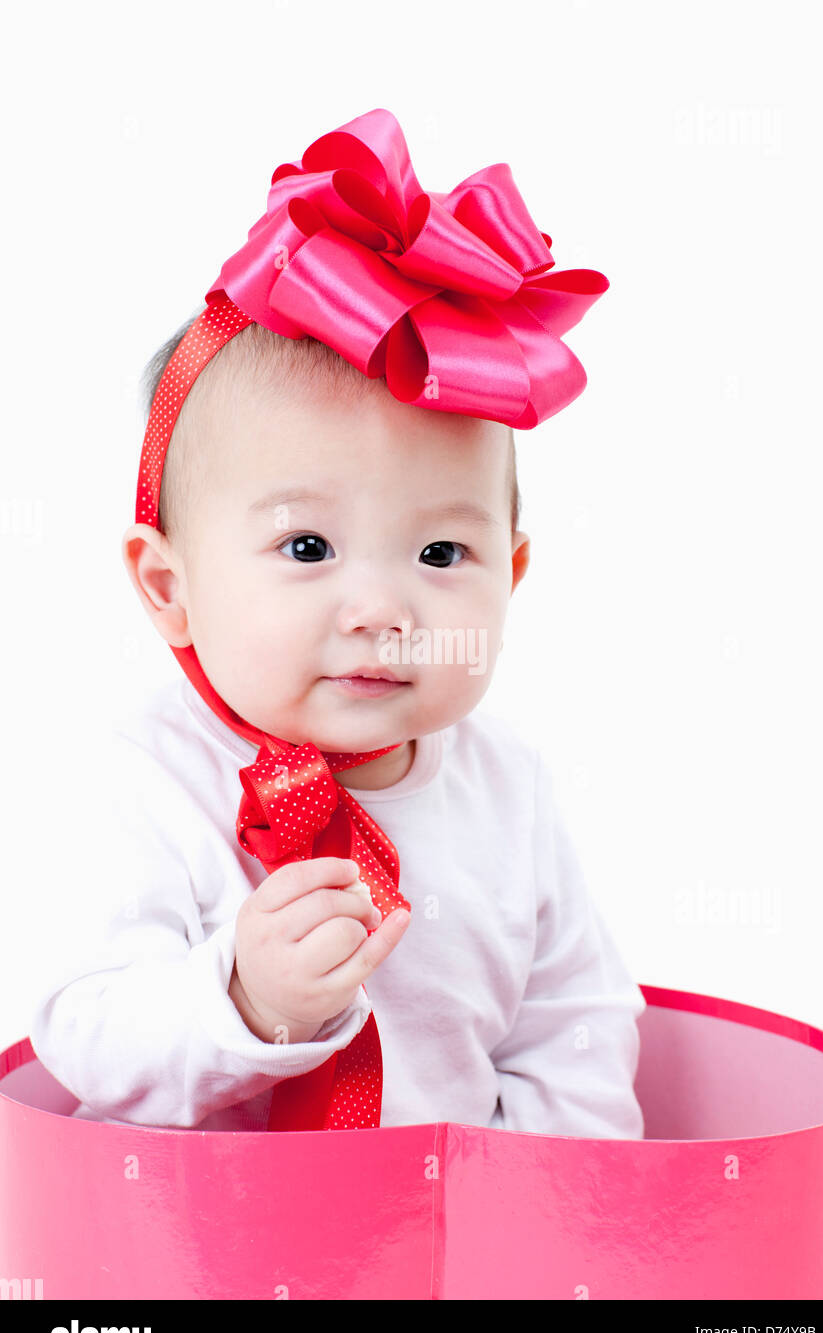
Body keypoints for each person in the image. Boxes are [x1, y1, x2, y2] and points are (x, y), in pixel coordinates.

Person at [29, 107, 646, 1138]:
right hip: (190, 1252)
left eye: (442, 554)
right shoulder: (142, 774)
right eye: (306, 549)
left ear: (514, 572)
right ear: (169, 586)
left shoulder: (509, 789)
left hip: (453, 1250)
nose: (379, 611)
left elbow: (570, 1026)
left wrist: (558, 1203)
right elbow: (83, 1031)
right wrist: (246, 997)